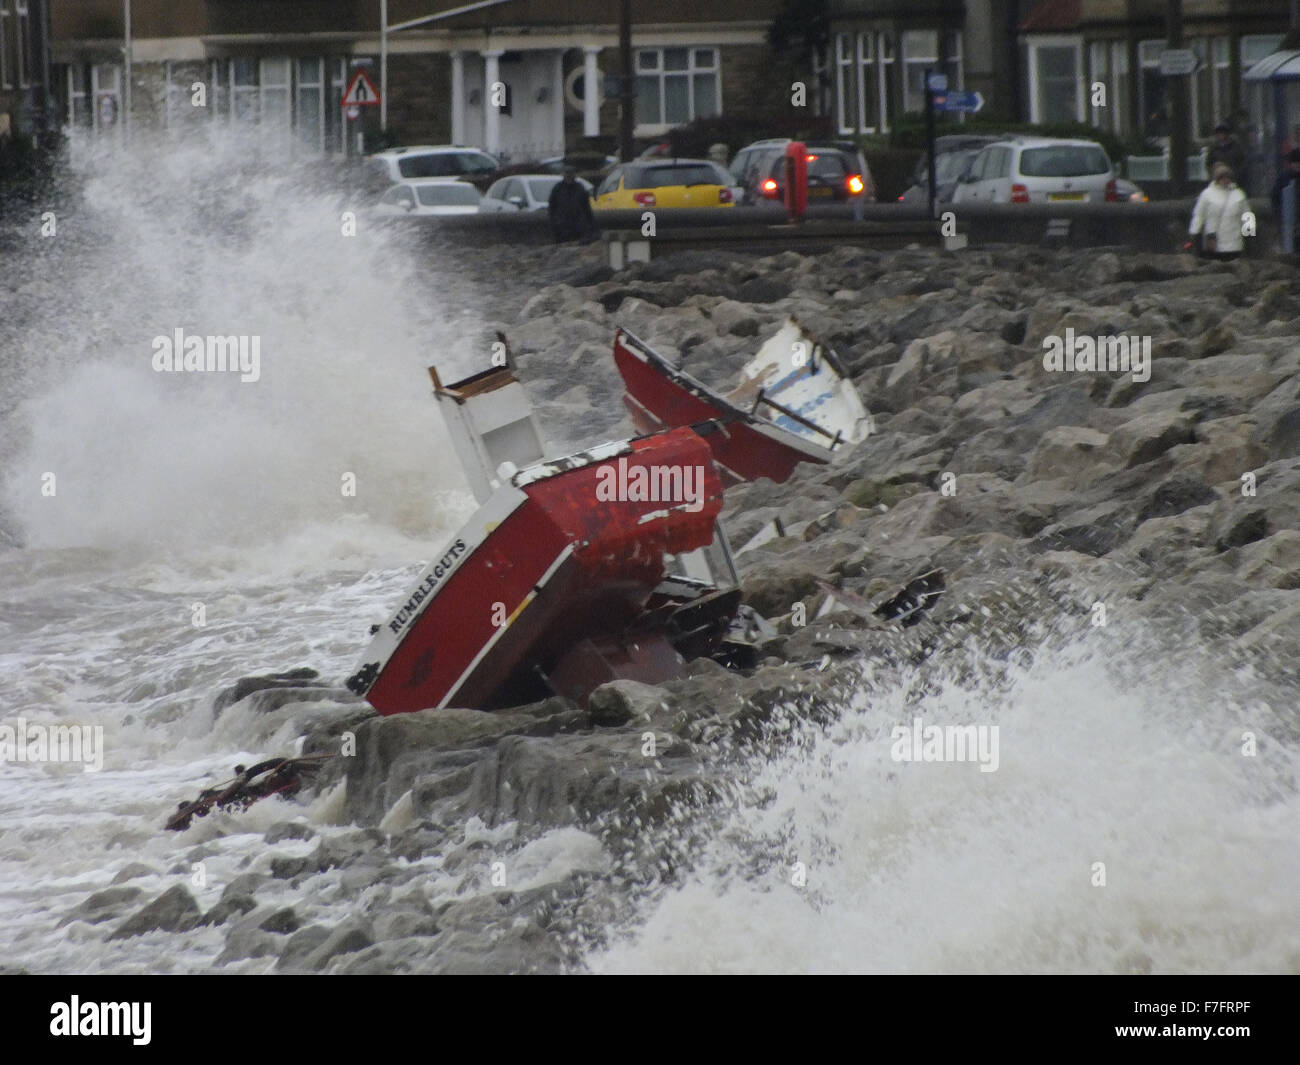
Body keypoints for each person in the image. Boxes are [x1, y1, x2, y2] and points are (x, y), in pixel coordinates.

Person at [1188, 163, 1249, 261]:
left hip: (1235, 242)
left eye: (1227, 177)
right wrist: (1194, 232)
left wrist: (1249, 235)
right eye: (1222, 178)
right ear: (1217, 179)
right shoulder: (1207, 195)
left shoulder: (1238, 194)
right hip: (1214, 242)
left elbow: (1246, 215)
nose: (1225, 180)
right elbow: (1199, 215)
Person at [547, 166, 594, 243]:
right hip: (562, 226)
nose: (569, 177)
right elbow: (552, 207)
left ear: (574, 176)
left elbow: (586, 208)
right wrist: (554, 224)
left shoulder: (580, 188)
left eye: (570, 175)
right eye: (567, 175)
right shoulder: (557, 188)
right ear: (564, 176)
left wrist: (590, 225)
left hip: (578, 226)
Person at [1271, 148, 1300, 254]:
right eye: (1295, 162)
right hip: (1287, 221)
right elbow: (1275, 198)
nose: (1297, 165)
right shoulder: (1284, 178)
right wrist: (1280, 214)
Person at [1206, 122, 1247, 193]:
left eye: (1223, 133)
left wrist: (1235, 176)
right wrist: (1214, 175)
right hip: (1218, 182)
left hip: (1234, 181)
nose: (1221, 135)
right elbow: (1208, 164)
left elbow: (1242, 163)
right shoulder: (1213, 149)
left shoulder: (1236, 148)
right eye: (1219, 133)